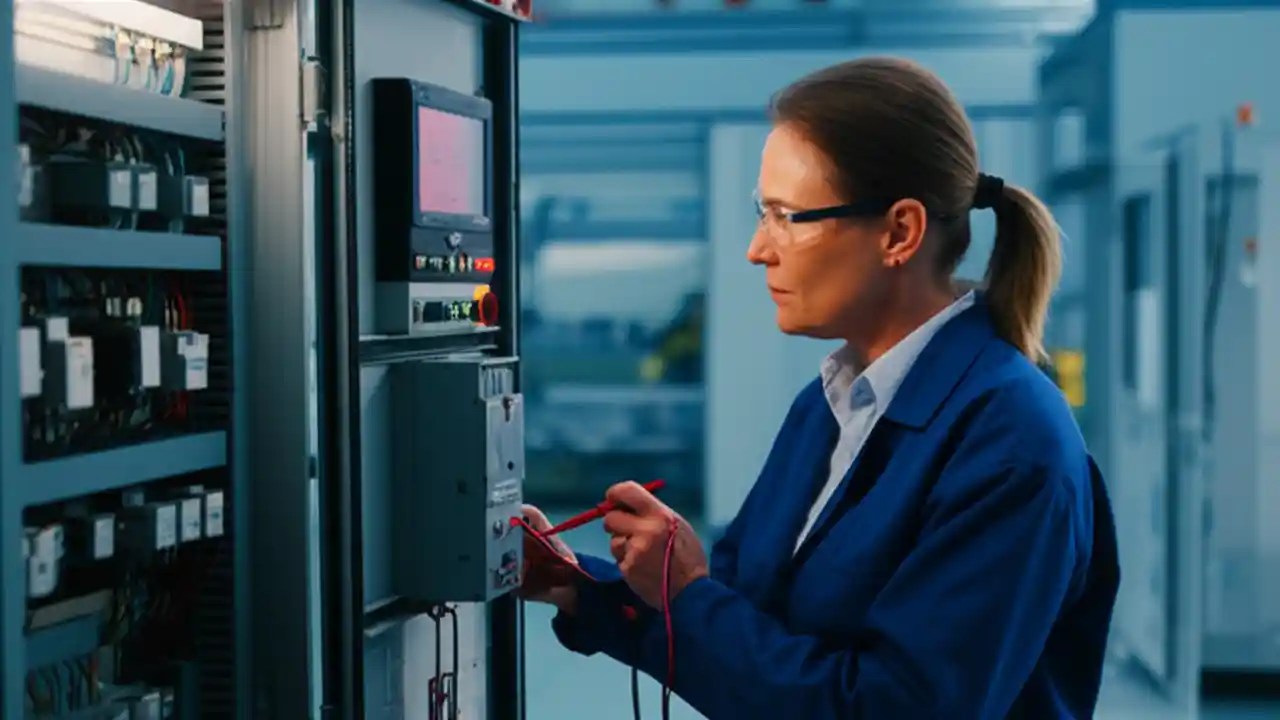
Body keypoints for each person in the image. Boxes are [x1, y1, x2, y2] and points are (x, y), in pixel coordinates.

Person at [520, 56, 1120, 720]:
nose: (757, 248)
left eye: (787, 217)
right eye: (762, 213)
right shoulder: (834, 404)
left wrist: (688, 591)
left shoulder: (1010, 445)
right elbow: (747, 623)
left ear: (899, 232)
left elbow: (893, 709)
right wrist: (579, 584)